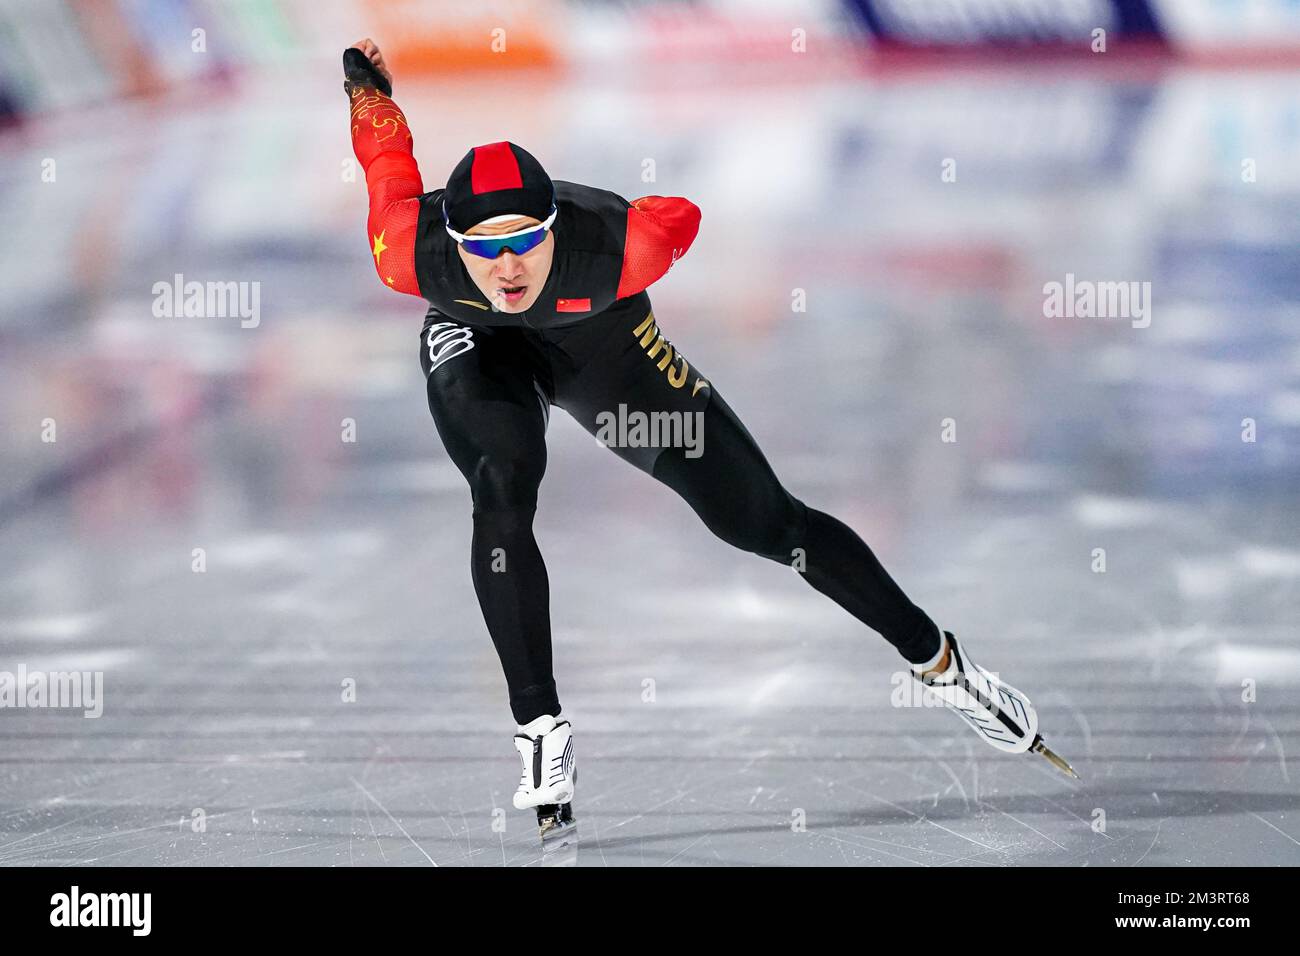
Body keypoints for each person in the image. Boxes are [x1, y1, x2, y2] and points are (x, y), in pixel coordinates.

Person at [341, 40, 1075, 832]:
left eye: (528, 238)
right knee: (502, 485)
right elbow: (386, 150)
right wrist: (365, 84)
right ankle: (541, 728)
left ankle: (944, 665)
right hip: (483, 352)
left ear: (560, 227)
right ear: (455, 244)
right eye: (486, 247)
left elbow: (688, 213)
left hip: (611, 364)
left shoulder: (628, 244)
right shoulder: (405, 253)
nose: (509, 266)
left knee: (769, 526)